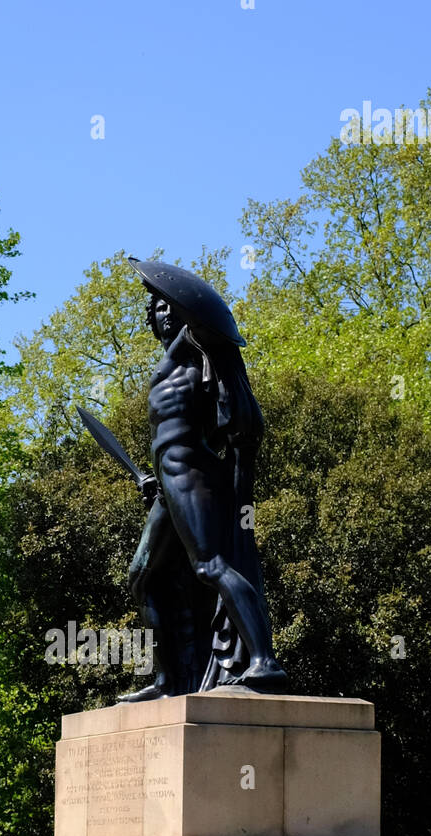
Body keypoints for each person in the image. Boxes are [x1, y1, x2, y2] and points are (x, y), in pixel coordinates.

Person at [121, 258, 288, 699]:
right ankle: (166, 679)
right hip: (168, 477)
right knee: (142, 576)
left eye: (166, 304)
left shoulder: (202, 353)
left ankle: (264, 660)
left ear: (184, 312)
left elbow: (235, 423)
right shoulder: (169, 364)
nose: (160, 311)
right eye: (154, 307)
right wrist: (153, 480)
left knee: (210, 565)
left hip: (191, 471)